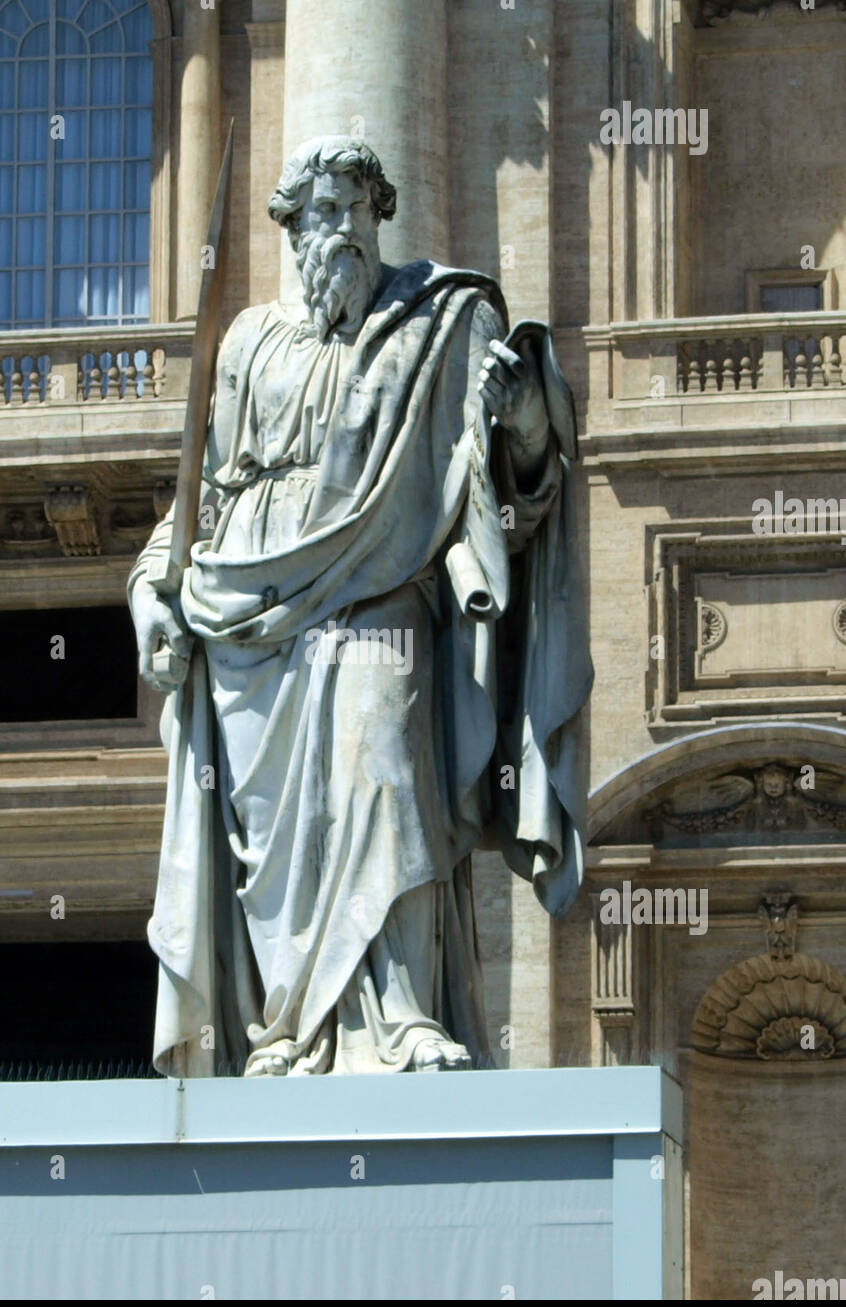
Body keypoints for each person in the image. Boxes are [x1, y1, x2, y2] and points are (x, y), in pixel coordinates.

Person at [129, 136, 593, 1077]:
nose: (338, 229)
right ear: (292, 228)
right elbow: (203, 498)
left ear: (379, 217)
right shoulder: (249, 344)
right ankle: (289, 1030)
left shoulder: (440, 320)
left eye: (354, 210)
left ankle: (403, 1013)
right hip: (250, 615)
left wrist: (526, 422)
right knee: (280, 843)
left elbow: (513, 494)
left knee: (385, 762)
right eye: (319, 212)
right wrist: (149, 595)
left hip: (383, 590)